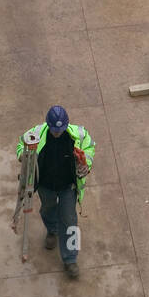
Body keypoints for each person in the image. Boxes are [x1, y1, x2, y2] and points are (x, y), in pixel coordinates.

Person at [17, 106, 95, 279]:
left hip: (68, 186)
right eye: (54, 130)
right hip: (46, 185)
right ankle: (52, 230)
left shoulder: (79, 135)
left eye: (60, 130)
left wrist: (85, 162)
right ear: (48, 125)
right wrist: (23, 155)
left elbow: (90, 147)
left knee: (70, 220)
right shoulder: (37, 133)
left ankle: (71, 259)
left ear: (66, 125)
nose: (57, 133)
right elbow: (21, 144)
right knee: (47, 209)